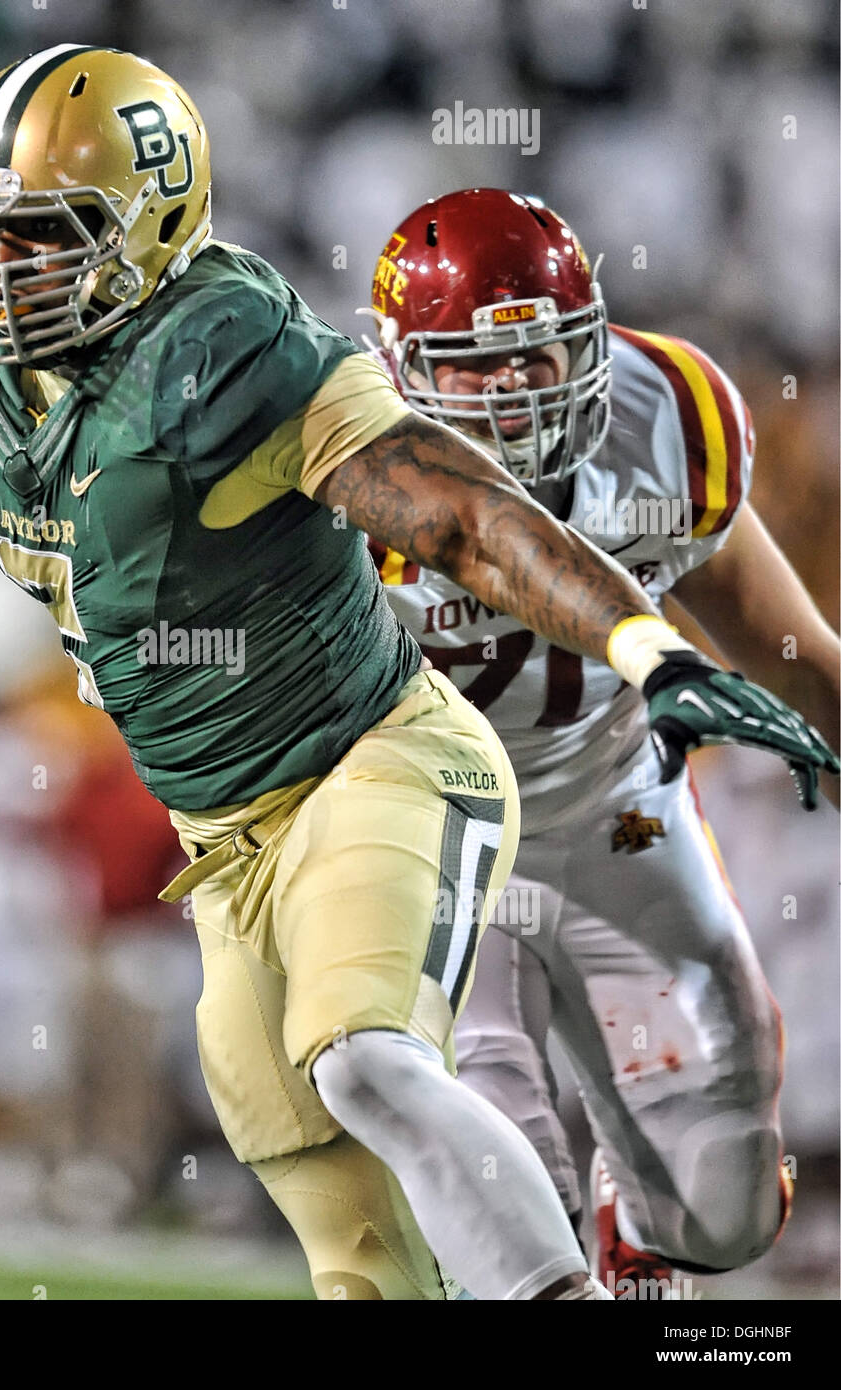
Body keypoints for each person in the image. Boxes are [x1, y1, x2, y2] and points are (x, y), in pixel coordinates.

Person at [0, 47, 833, 1300]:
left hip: (412, 771)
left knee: (424, 1088)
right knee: (356, 1229)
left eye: (41, 232)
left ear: (148, 225)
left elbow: (468, 522)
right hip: (226, 838)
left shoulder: (247, 358)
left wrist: (645, 646)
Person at [362, 186, 841, 1295]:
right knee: (505, 1171)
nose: (513, 389)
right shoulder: (345, 459)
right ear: (398, 368)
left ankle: (641, 1221)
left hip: (617, 801)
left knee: (726, 1202)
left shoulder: (665, 409)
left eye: (539, 356)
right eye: (474, 366)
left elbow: (785, 649)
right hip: (429, 836)